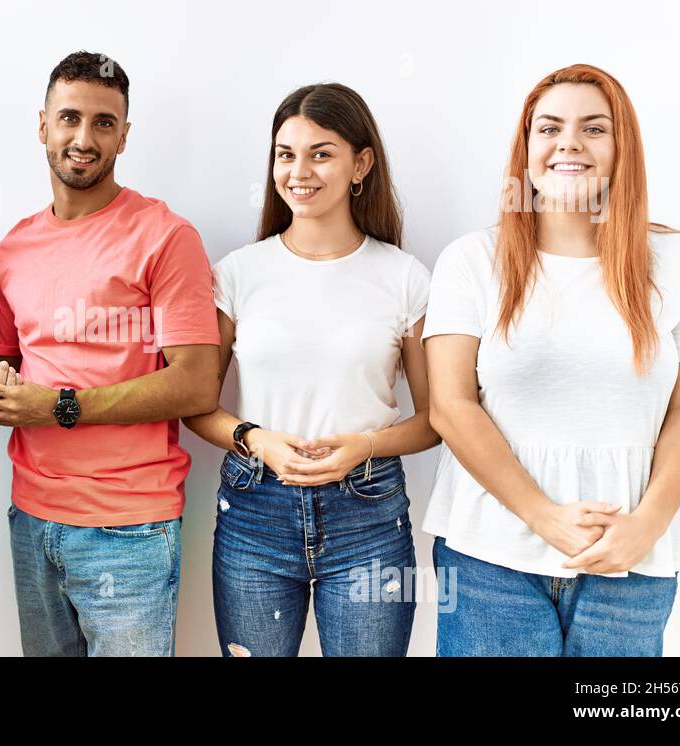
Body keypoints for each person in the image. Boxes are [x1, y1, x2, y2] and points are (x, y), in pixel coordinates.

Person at [423, 64, 680, 656]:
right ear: (528, 147)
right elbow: (450, 405)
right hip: (491, 555)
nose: (569, 144)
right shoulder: (470, 260)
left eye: (594, 129)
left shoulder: (679, 261)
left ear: (622, 150)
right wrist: (543, 516)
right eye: (550, 128)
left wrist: (646, 526)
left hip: (633, 559)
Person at [0, 51, 220, 656]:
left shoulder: (166, 236)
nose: (84, 139)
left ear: (124, 136)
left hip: (129, 525)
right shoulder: (14, 247)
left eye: (104, 123)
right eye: (70, 118)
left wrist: (59, 405)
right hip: (31, 516)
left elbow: (196, 384)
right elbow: (12, 361)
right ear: (43, 125)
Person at [183, 82, 439, 657]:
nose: (299, 170)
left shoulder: (405, 278)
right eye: (285, 153)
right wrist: (256, 440)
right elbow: (195, 403)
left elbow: (438, 419)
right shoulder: (236, 274)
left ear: (361, 164)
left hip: (368, 516)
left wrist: (366, 446)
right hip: (255, 511)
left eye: (321, 153)